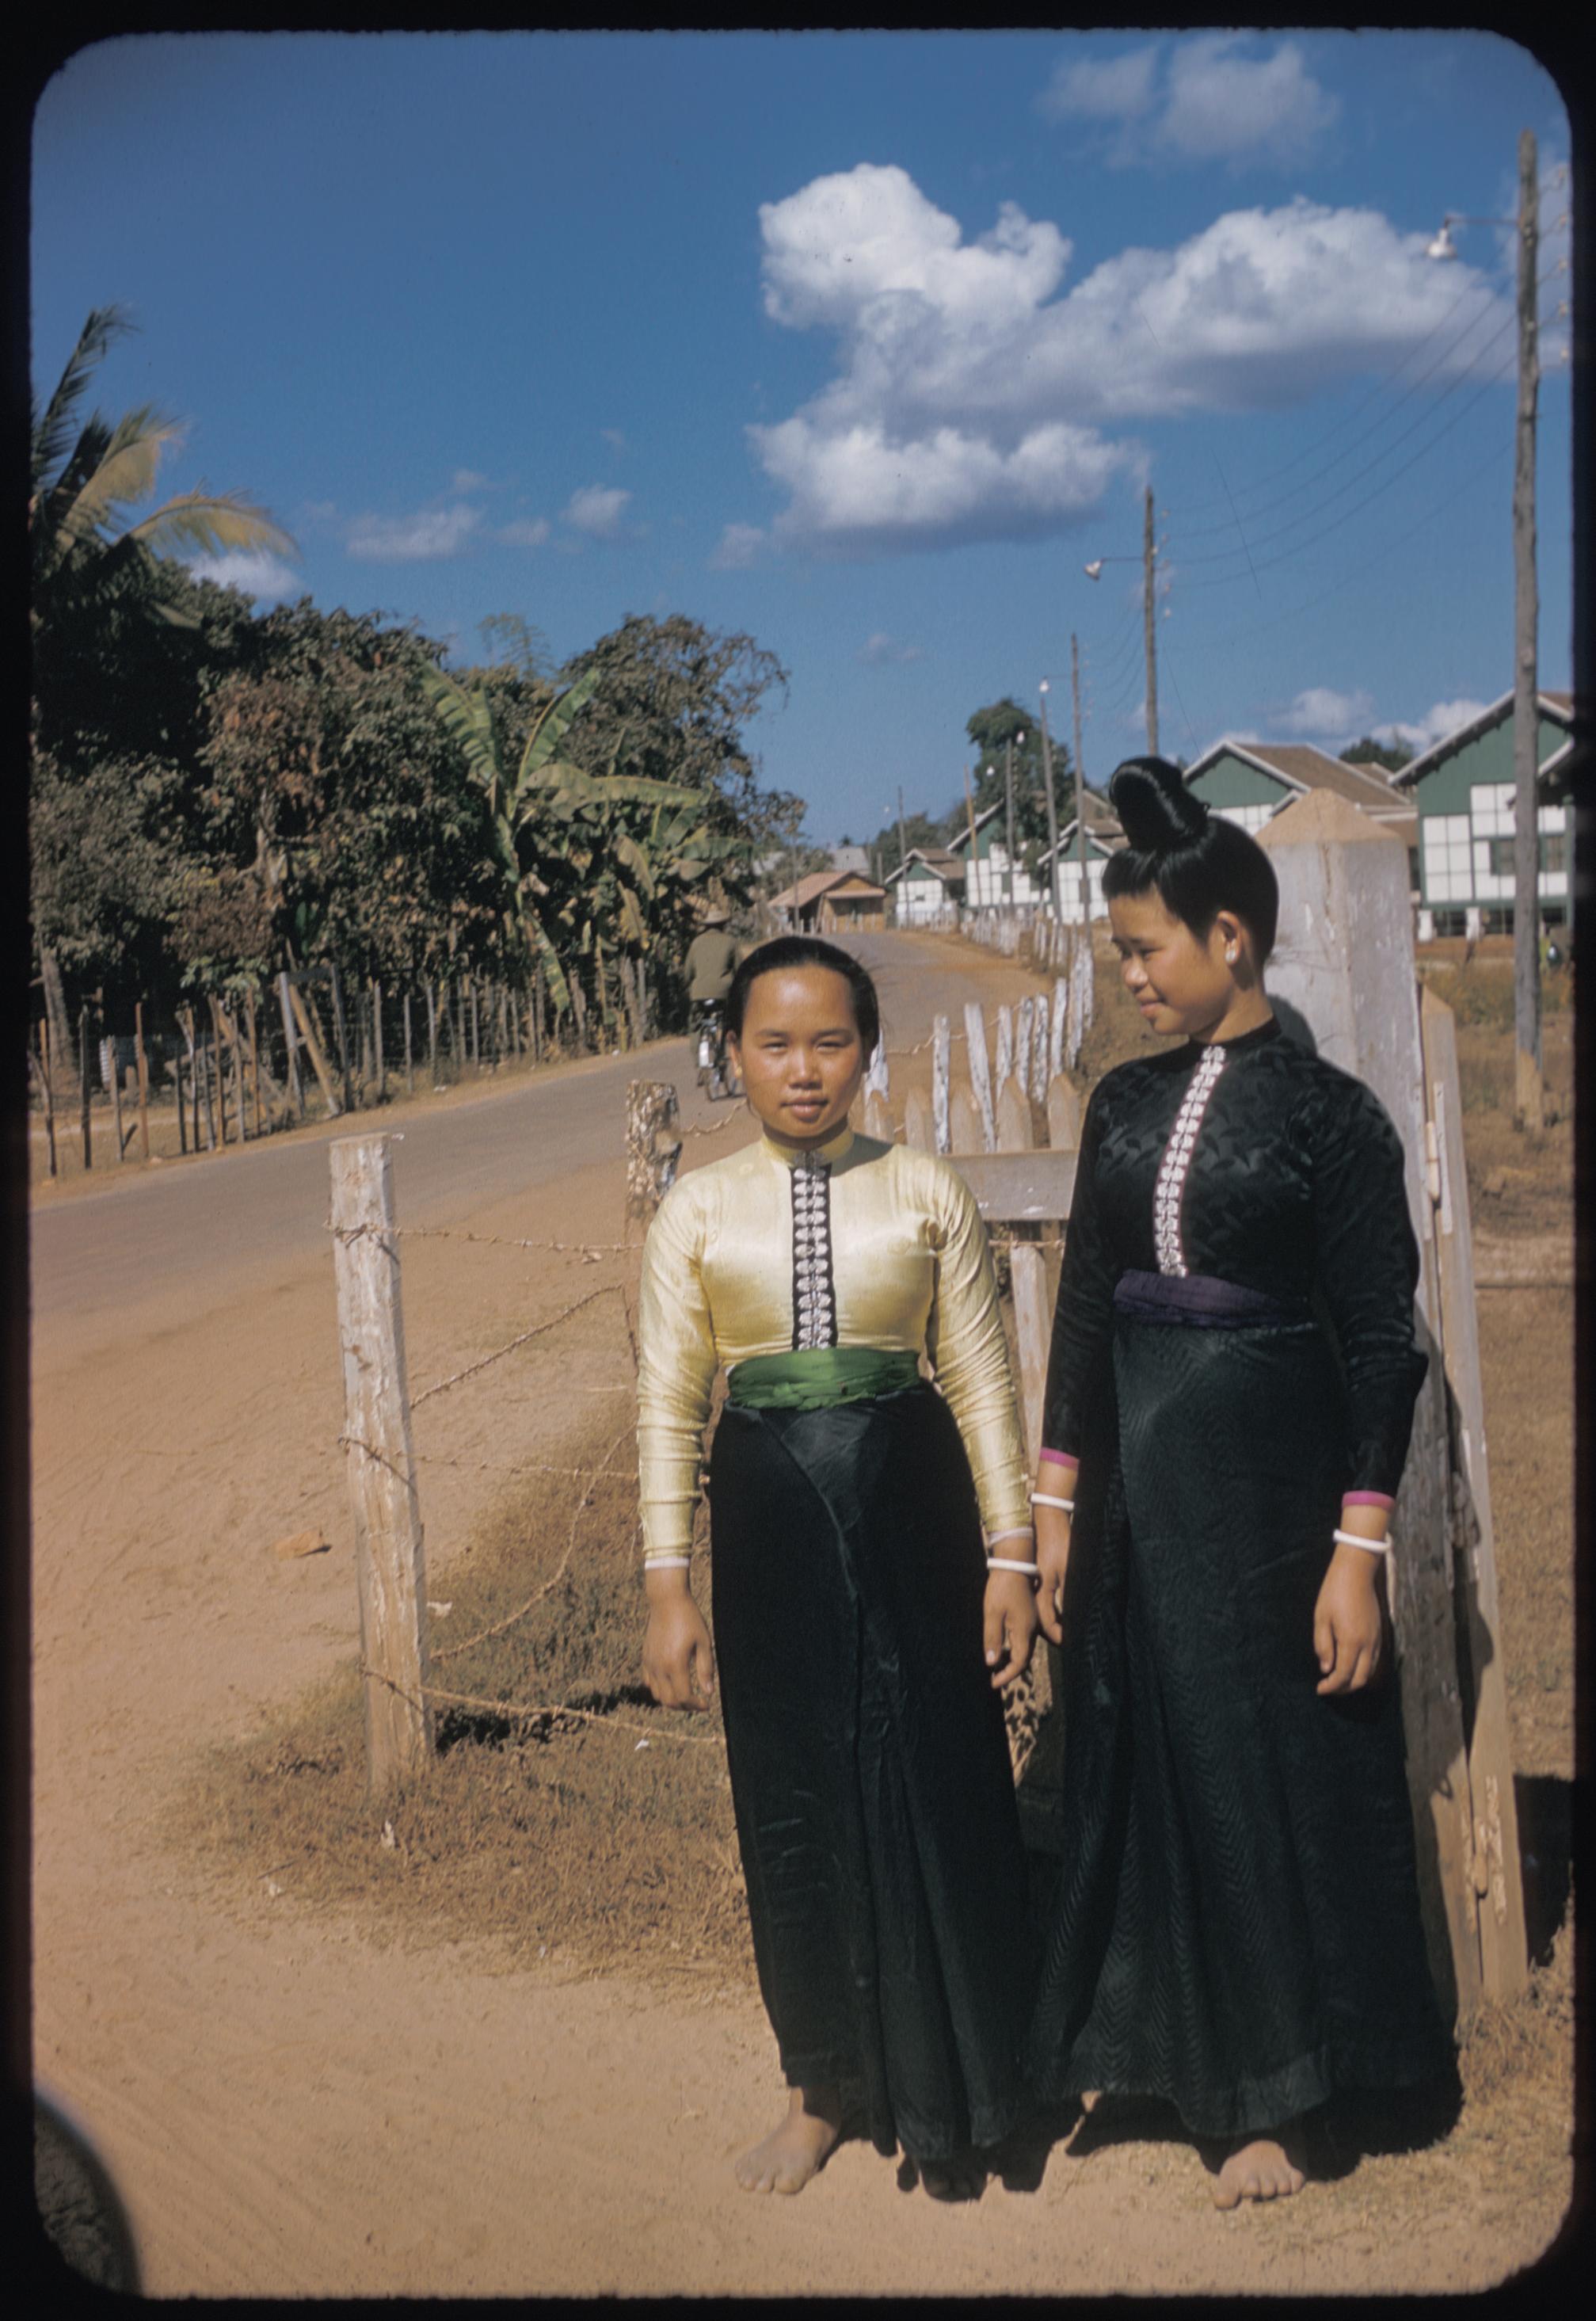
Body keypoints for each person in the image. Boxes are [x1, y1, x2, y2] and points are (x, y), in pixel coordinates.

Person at [1026, 758, 1452, 2210]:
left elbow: (1384, 1343)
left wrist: (1359, 1547)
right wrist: (1057, 1508)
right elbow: (1086, 1307)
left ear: (1232, 940)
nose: (1131, 978)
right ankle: (1169, 2061)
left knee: (1272, 1770)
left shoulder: (1335, 1122)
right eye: (1120, 953)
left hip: (1274, 1509)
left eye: (1146, 950)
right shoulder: (1118, 1107)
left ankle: (1288, 2088)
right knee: (1151, 1764)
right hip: (1142, 1496)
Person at [635, 935, 1039, 2200]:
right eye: (773, 1043)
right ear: (733, 1056)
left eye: (829, 1042)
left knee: (942, 1774)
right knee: (794, 1791)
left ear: (869, 1048)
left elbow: (978, 1379)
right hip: (765, 1511)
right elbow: (666, 1399)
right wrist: (668, 1585)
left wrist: (1011, 1555)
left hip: (913, 1498)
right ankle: (819, 2089)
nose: (803, 1072)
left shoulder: (925, 1191)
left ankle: (973, 2085)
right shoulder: (696, 1209)